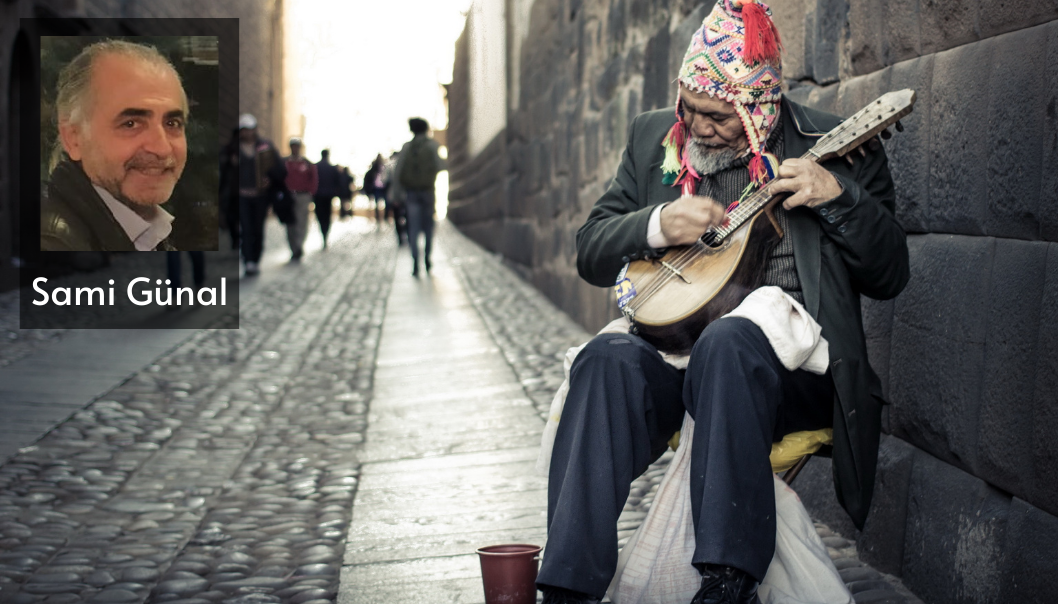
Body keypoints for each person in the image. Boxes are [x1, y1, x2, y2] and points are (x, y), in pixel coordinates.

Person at [537, 2, 910, 603]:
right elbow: (590, 251)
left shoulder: (835, 147)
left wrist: (837, 197)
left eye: (717, 117)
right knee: (604, 362)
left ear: (756, 108)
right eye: (689, 108)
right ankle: (567, 587)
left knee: (731, 339)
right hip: (675, 358)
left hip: (787, 375)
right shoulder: (654, 137)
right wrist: (657, 223)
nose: (697, 126)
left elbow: (891, 273)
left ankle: (725, 582)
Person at [41, 40, 188, 251]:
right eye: (131, 124)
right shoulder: (52, 243)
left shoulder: (145, 230)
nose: (162, 148)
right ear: (73, 138)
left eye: (172, 123)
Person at [220, 113, 284, 276]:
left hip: (260, 196)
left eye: (249, 129)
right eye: (244, 130)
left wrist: (269, 178)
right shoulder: (232, 149)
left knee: (258, 229)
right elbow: (223, 172)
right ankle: (248, 260)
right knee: (246, 229)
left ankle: (255, 258)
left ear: (255, 130)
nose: (247, 133)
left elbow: (280, 169)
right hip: (241, 196)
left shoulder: (265, 147)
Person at [390, 118, 447, 276]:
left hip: (411, 194)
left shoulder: (407, 147)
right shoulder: (432, 145)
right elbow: (442, 166)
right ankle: (427, 258)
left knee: (413, 228)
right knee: (429, 227)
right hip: (428, 192)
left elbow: (398, 172)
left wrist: (396, 195)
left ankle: (415, 261)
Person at [283, 137, 317, 261]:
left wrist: (310, 193)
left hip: (303, 196)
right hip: (288, 196)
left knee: (301, 221)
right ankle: (293, 247)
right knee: (290, 223)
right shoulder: (285, 163)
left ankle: (299, 245)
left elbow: (313, 179)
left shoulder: (306, 163)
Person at [314, 149, 341, 248]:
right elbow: (337, 182)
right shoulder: (332, 168)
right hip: (328, 196)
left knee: (320, 216)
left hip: (318, 196)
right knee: (327, 216)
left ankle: (323, 233)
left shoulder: (316, 167)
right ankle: (325, 234)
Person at [383, 151, 406, 246]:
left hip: (393, 194)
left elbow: (384, 180)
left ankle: (400, 237)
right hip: (405, 194)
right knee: (406, 214)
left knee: (396, 216)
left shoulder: (389, 165)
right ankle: (406, 234)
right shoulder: (404, 164)